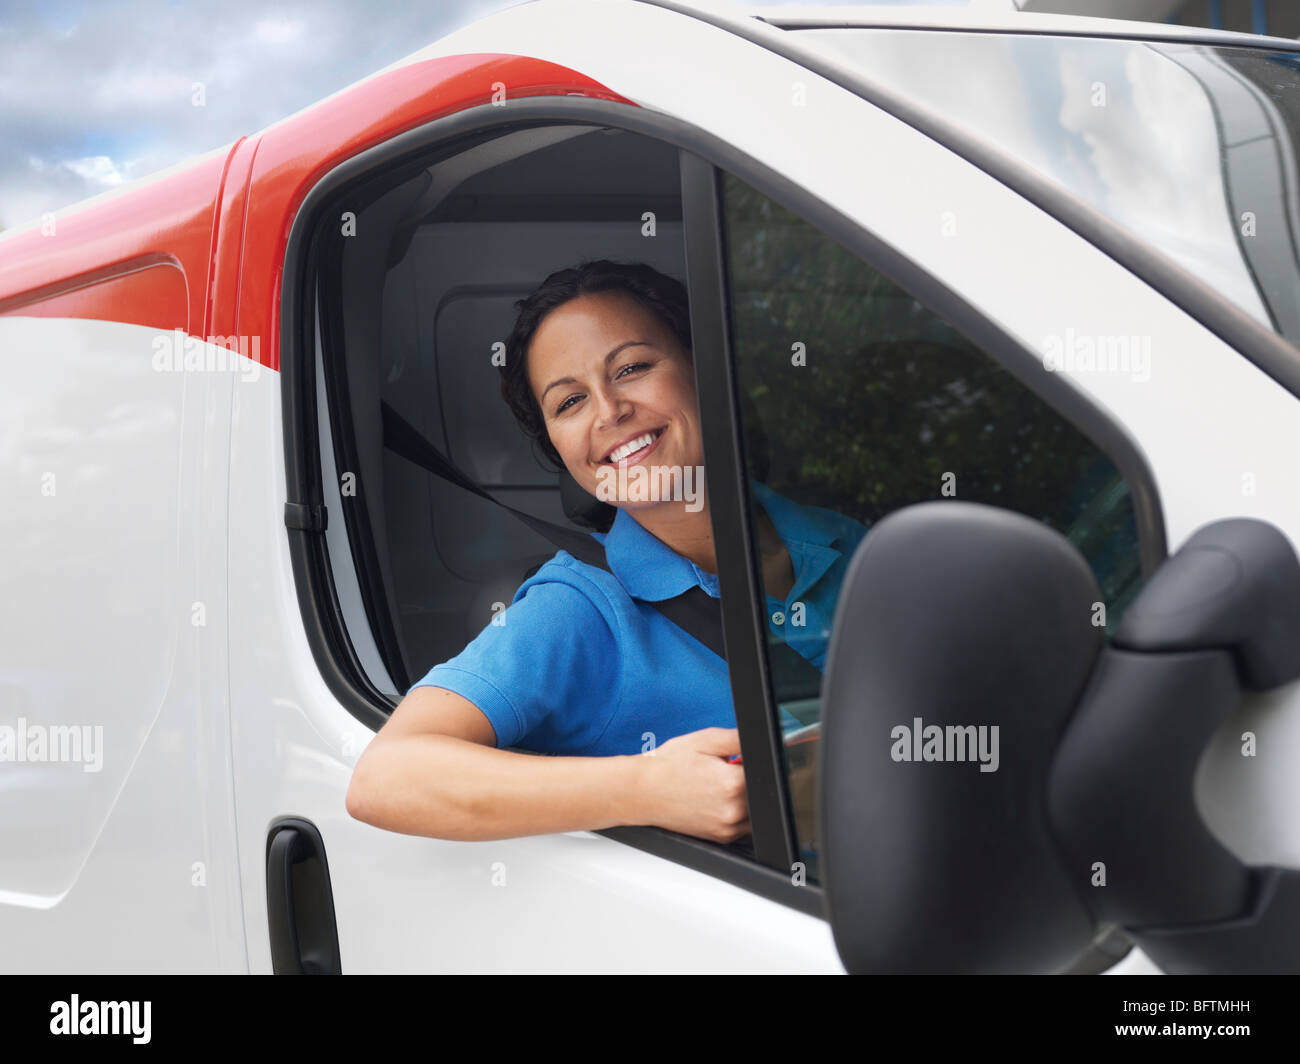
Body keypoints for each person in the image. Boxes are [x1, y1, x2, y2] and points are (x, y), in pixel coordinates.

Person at [345, 260, 867, 846]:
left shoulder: (848, 544)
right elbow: (385, 777)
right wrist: (646, 789)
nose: (609, 411)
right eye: (569, 403)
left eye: (633, 368)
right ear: (558, 448)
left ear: (708, 366)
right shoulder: (580, 606)